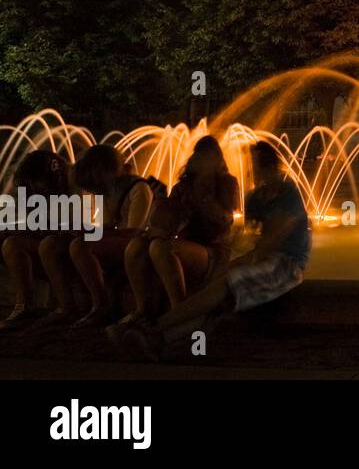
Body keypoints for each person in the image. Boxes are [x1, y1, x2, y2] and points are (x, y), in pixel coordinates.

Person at [118, 141, 311, 359]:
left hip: (286, 263)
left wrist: (238, 260)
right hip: (254, 258)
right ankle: (160, 337)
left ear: (271, 166)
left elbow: (270, 239)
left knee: (225, 286)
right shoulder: (255, 198)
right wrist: (164, 201)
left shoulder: (288, 193)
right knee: (217, 293)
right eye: (251, 165)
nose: (251, 171)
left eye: (256, 165)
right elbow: (245, 237)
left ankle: (156, 328)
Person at [118, 136, 240, 328]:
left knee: (161, 248)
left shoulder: (227, 183)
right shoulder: (183, 186)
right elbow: (165, 225)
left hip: (214, 252)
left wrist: (203, 197)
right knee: (137, 245)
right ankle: (143, 308)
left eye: (209, 157)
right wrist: (161, 199)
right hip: (185, 245)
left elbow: (225, 221)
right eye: (199, 155)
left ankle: (180, 311)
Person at [57, 144, 155, 328]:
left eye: (94, 178)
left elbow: (135, 230)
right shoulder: (109, 191)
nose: (93, 188)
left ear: (103, 170)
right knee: (65, 243)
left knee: (80, 246)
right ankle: (75, 305)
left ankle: (101, 306)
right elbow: (110, 225)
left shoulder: (139, 188)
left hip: (139, 246)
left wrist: (95, 233)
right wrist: (83, 229)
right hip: (123, 241)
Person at [0, 150, 75, 330]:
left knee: (16, 242)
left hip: (77, 247)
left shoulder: (77, 185)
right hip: (55, 242)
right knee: (7, 240)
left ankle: (63, 308)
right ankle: (25, 306)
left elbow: (76, 229)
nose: (32, 189)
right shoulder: (42, 192)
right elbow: (43, 226)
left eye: (35, 184)